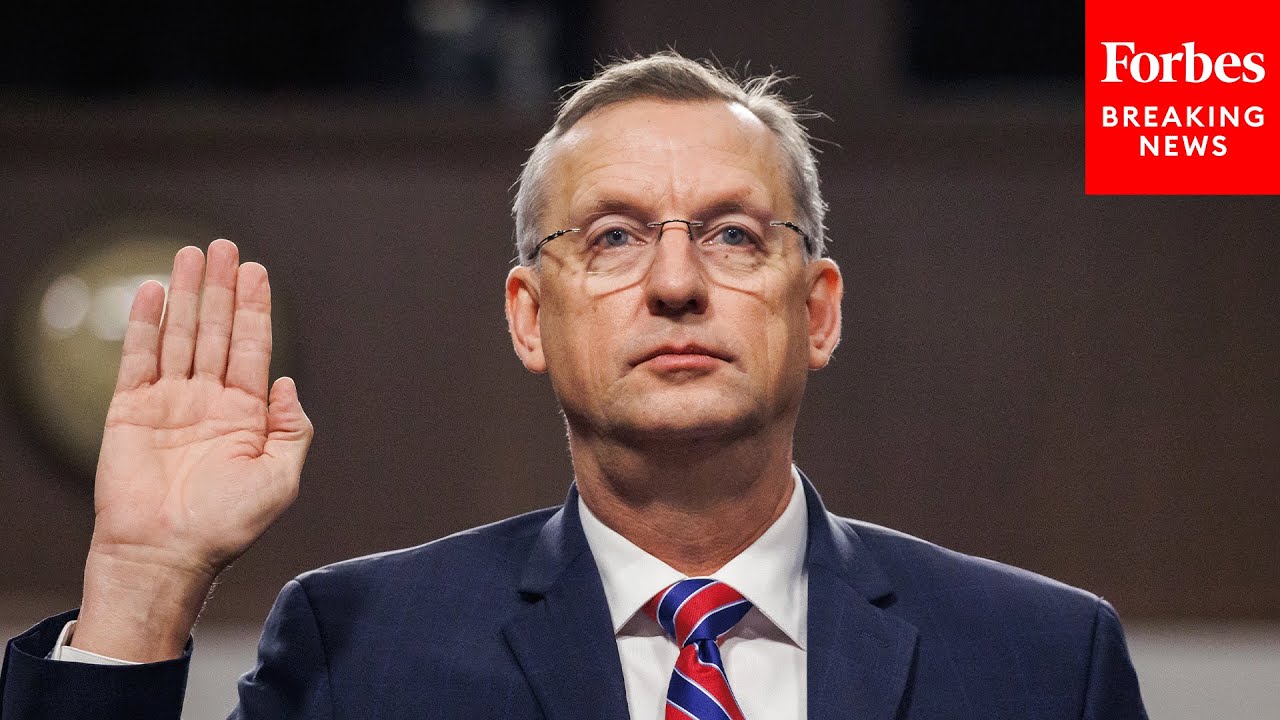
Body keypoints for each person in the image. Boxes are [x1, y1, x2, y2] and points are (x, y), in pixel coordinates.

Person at [1, 52, 1147, 719]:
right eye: (609, 239)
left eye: (736, 236)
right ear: (526, 318)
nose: (676, 282)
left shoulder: (1043, 663)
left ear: (817, 310)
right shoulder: (358, 654)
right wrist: (141, 587)